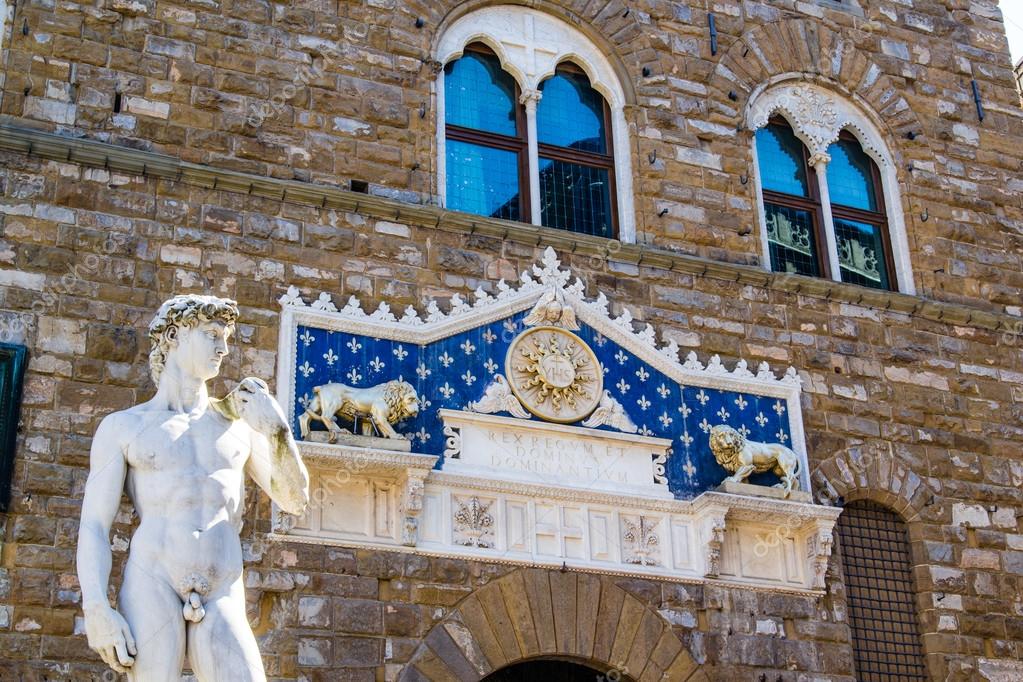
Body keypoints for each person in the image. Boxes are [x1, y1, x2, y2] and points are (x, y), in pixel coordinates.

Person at [76, 294, 309, 681]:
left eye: (227, 337)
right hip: (153, 580)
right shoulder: (125, 427)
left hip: (222, 589)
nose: (224, 347)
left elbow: (295, 498)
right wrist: (96, 607)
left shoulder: (237, 425)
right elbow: (94, 526)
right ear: (173, 336)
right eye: (212, 334)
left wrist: (279, 432)